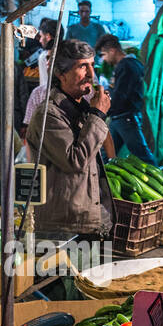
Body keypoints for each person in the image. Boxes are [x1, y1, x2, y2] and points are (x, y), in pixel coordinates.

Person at [25, 39, 114, 237]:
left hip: (90, 219)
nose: (91, 74)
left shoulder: (81, 108)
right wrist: (97, 116)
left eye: (92, 65)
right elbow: (74, 160)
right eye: (83, 66)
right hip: (65, 227)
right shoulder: (48, 114)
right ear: (60, 73)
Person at [94, 34, 153, 165]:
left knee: (142, 155)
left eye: (103, 55)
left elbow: (121, 96)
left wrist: (105, 110)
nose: (103, 60)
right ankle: (101, 180)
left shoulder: (126, 66)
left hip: (126, 118)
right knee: (106, 154)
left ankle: (162, 180)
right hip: (120, 118)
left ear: (112, 50)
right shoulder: (130, 64)